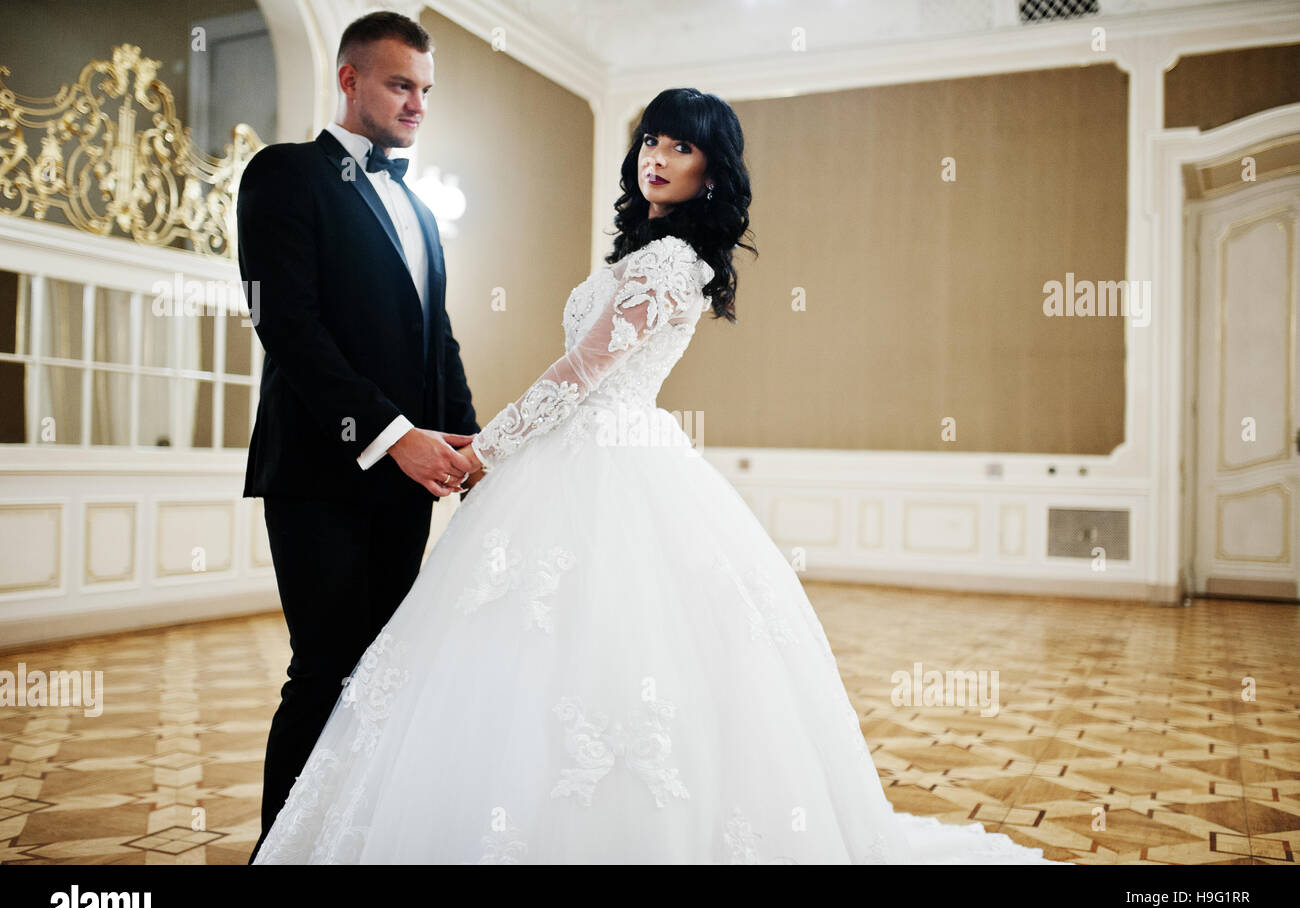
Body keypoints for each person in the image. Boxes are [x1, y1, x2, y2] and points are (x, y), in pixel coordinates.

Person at [251, 85, 1066, 864]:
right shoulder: (642, 251)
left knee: (599, 653)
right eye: (652, 139)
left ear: (712, 171)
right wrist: (495, 446)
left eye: (682, 147)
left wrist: (486, 450)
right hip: (577, 456)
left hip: (608, 460)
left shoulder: (671, 260)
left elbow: (584, 371)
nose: (659, 157)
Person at [237, 11, 482, 864]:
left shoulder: (417, 203)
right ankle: (283, 851)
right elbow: (292, 328)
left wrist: (471, 442)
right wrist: (392, 434)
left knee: (381, 676)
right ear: (349, 79)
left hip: (402, 482)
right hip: (318, 472)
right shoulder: (285, 174)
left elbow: (435, 336)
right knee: (326, 669)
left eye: (425, 89)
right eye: (398, 84)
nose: (417, 103)